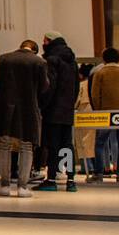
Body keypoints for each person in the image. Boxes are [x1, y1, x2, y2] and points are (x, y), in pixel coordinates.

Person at [0, 40, 48, 197]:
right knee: (26, 146)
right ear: (34, 50)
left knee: (4, 145)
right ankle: (22, 186)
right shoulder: (39, 62)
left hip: (5, 108)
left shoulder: (4, 59)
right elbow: (44, 87)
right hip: (29, 109)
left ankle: (5, 184)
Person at [36, 31, 80, 192]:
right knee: (67, 145)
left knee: (52, 145)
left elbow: (49, 86)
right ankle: (70, 179)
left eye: (44, 41)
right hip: (67, 110)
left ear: (50, 41)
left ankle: (52, 179)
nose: (43, 43)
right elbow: (76, 86)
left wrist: (42, 105)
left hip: (53, 110)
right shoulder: (72, 61)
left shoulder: (52, 60)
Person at [89, 47, 119, 181]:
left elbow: (95, 95)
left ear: (104, 59)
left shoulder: (100, 73)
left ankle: (99, 174)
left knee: (100, 144)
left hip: (105, 113)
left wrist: (98, 111)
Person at [74, 62, 96, 178]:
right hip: (94, 111)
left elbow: (76, 100)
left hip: (83, 111)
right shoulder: (94, 83)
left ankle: (86, 167)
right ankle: (94, 166)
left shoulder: (81, 85)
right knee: (91, 140)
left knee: (82, 140)